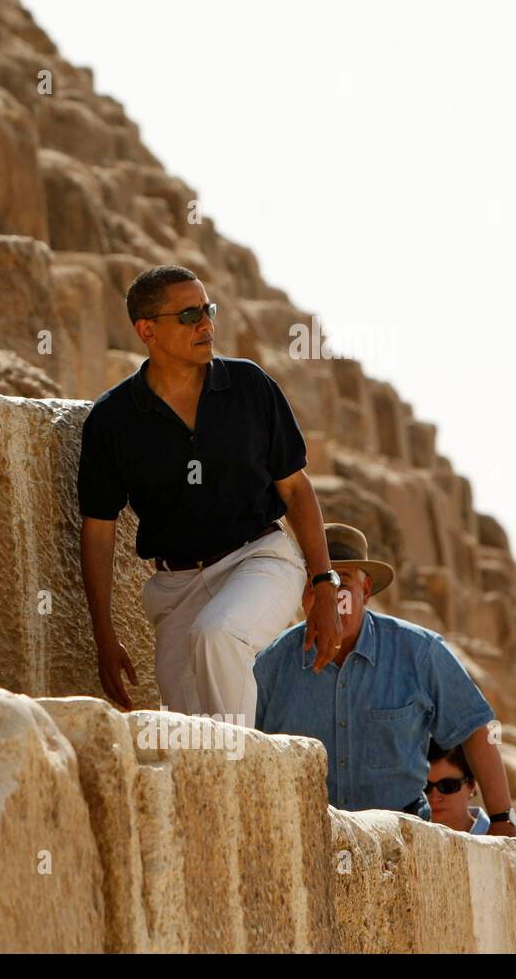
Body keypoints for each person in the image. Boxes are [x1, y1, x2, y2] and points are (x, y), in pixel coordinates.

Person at [78, 264, 342, 722]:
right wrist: (104, 634)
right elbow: (98, 531)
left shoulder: (249, 386)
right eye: (188, 316)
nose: (207, 325)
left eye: (208, 310)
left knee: (218, 635)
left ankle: (242, 776)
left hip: (260, 560)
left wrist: (322, 583)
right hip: (175, 589)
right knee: (189, 731)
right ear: (147, 331)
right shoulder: (112, 420)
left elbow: (296, 490)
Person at [255, 523, 516, 838]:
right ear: (302, 593)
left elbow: (478, 728)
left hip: (403, 845)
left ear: (365, 591)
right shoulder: (271, 665)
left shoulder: (419, 652)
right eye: (319, 582)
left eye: (343, 583)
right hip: (305, 841)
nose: (332, 598)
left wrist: (503, 818)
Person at [427, 741, 516, 842]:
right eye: (426, 786)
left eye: (448, 786)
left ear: (472, 785)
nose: (434, 797)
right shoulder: (412, 840)